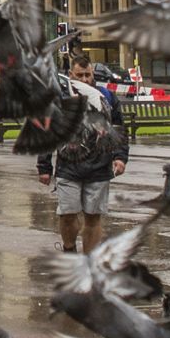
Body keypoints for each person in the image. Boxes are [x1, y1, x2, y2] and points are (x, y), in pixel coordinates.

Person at [36, 52, 128, 254]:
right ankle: (69, 250)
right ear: (70, 74)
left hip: (99, 166)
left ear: (93, 74)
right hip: (68, 167)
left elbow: (119, 128)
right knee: (68, 214)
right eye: (80, 75)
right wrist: (44, 166)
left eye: (88, 75)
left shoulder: (107, 97)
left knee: (93, 217)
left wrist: (120, 157)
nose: (85, 79)